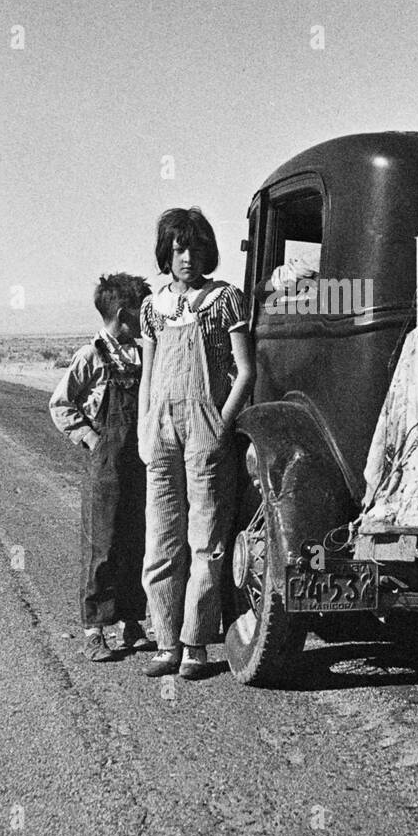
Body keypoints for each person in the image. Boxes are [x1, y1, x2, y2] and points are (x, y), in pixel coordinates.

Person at [138, 208, 254, 681]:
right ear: (167, 252)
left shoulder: (224, 299)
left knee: (206, 541)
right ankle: (165, 641)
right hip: (160, 430)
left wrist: (220, 429)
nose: (187, 257)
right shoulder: (152, 307)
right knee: (161, 541)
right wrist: (147, 430)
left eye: (196, 248)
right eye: (179, 248)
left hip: (205, 427)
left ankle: (195, 645)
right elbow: (148, 374)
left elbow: (246, 372)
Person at [49, 272, 151, 662]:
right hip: (105, 463)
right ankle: (94, 628)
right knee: (101, 546)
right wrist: (92, 440)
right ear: (124, 314)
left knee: (135, 540)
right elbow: (61, 404)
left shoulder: (141, 353)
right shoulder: (90, 355)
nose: (146, 320)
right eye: (142, 312)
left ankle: (131, 621)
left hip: (139, 460)